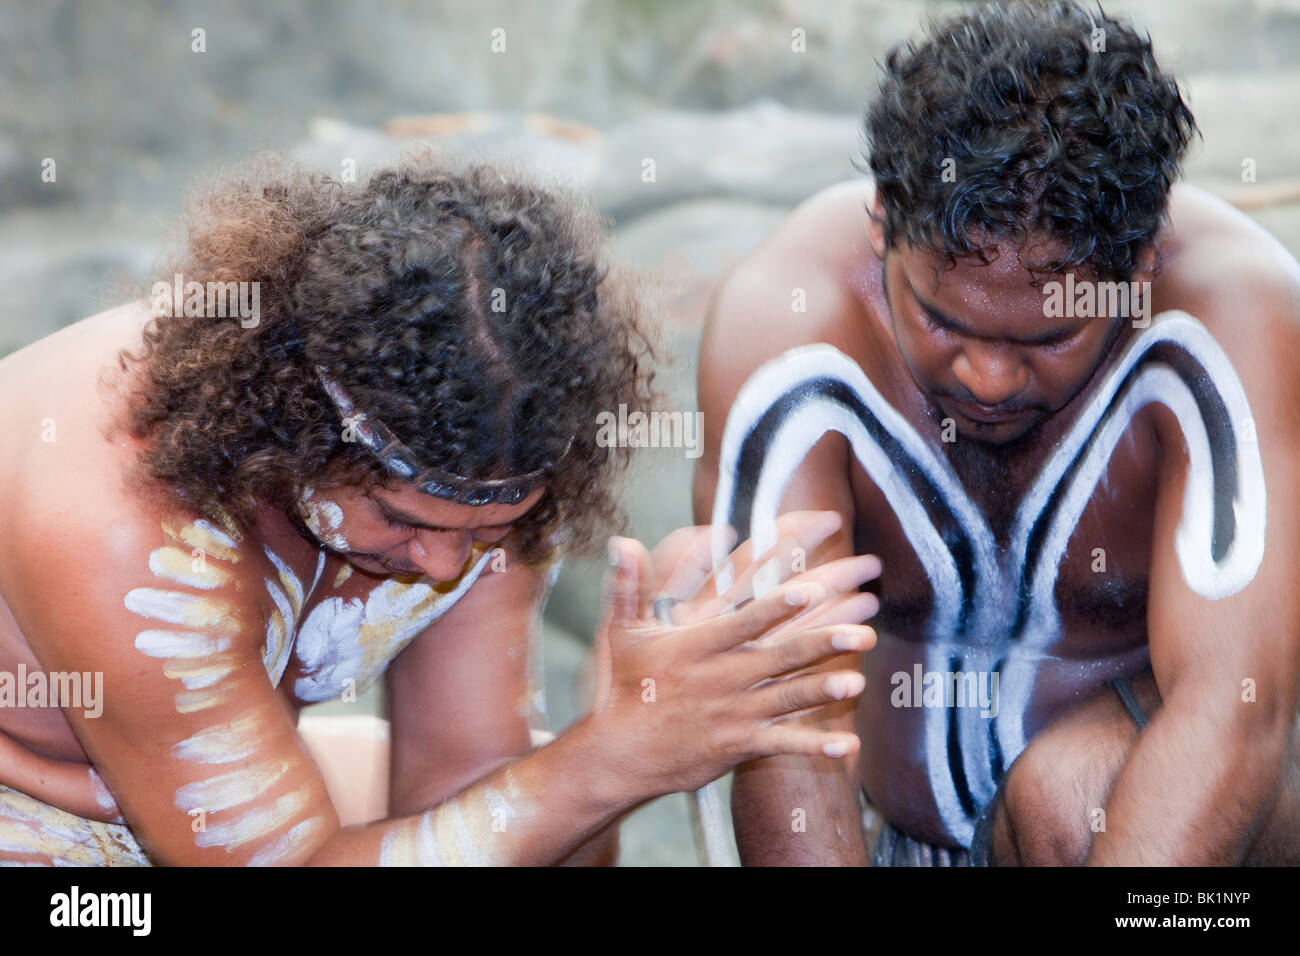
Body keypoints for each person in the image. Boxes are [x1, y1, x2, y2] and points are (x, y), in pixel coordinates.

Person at [0, 157, 880, 865]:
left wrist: (631, 722)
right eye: (402, 519)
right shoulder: (132, 515)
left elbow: (465, 791)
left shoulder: (491, 457)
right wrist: (615, 754)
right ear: (296, 426)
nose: (444, 565)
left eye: (484, 533)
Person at [695, 0, 1300, 865]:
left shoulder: (1232, 312)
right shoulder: (790, 324)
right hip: (898, 839)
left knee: (1068, 799)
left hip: (1183, 867)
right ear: (881, 225)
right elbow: (783, 707)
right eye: (944, 321)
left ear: (1137, 268)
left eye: (1046, 338)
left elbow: (1236, 712)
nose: (987, 377)